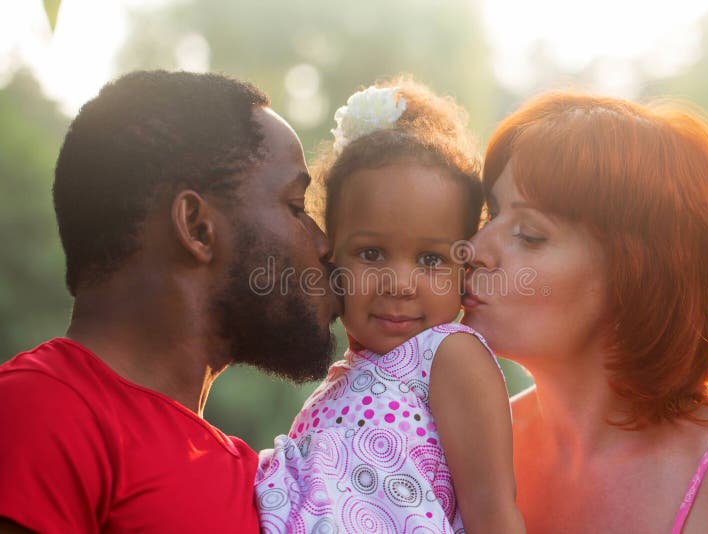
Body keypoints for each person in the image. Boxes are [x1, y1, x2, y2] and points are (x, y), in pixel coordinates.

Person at [0, 70, 341, 533]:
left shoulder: (260, 482)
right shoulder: (41, 411)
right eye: (297, 207)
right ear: (198, 228)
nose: (325, 247)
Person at [462, 92, 708, 532]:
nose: (472, 249)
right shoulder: (468, 446)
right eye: (491, 214)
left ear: (636, 274)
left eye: (529, 234)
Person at [253, 80, 525, 533]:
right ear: (330, 252)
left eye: (430, 259)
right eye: (372, 253)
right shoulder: (340, 381)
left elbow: (493, 513)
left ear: (464, 266)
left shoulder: (450, 355)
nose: (399, 284)